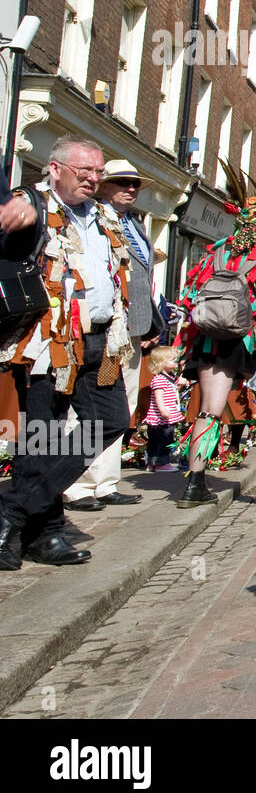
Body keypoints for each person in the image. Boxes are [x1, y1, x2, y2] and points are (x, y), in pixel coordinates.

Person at [0, 137, 136, 568]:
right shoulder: (34, 204)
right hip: (52, 341)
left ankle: (12, 513)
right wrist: (19, 208)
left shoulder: (103, 218)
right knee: (44, 434)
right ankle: (47, 534)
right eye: (85, 171)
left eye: (98, 172)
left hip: (105, 339)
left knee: (112, 420)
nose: (94, 179)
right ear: (55, 169)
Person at [173, 161, 256, 508]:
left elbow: (193, 297)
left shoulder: (215, 251)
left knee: (209, 411)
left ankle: (195, 483)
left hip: (213, 339)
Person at [63, 159, 170, 510]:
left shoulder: (135, 224)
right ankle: (76, 484)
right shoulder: (94, 220)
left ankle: (106, 482)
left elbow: (141, 278)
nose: (131, 189)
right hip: (103, 332)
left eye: (135, 184)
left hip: (132, 333)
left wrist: (151, 324)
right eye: (122, 182)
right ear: (103, 186)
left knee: (118, 408)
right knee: (87, 409)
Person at [142, 345, 183, 472]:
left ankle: (152, 463)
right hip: (161, 418)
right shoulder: (160, 379)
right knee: (163, 440)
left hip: (163, 417)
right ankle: (161, 463)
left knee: (157, 440)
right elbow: (158, 397)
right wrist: (163, 410)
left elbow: (175, 385)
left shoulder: (169, 377)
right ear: (161, 363)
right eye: (172, 359)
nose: (175, 361)